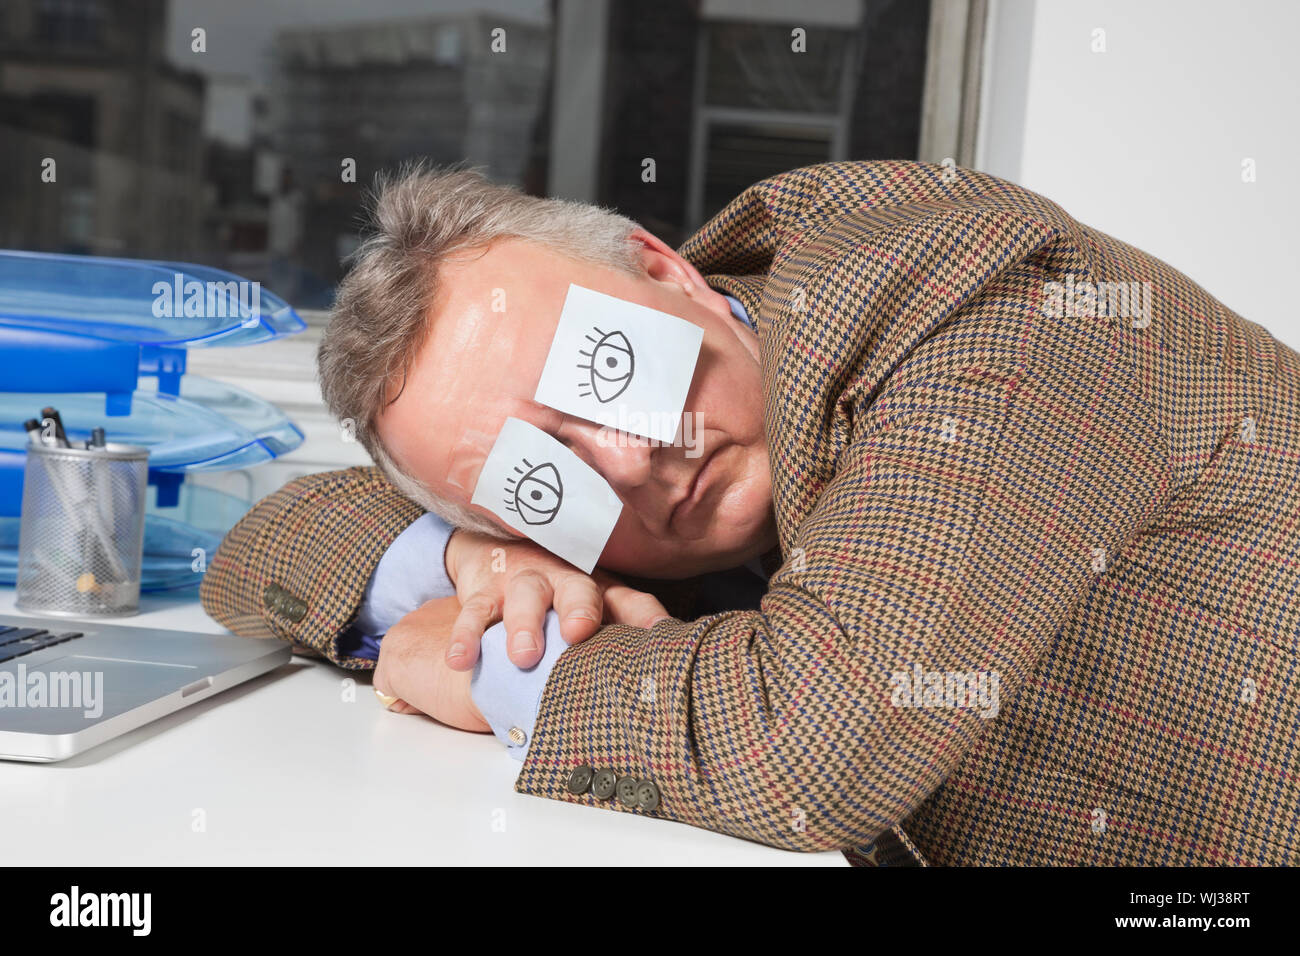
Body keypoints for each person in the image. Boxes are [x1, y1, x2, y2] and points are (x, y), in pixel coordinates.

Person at [201, 159, 1300, 865]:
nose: (630, 459)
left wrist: (492, 662)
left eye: (610, 368)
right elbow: (263, 542)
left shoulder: (990, 308)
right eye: (543, 476)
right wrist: (470, 565)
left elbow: (815, 745)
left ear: (667, 270)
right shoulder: (593, 508)